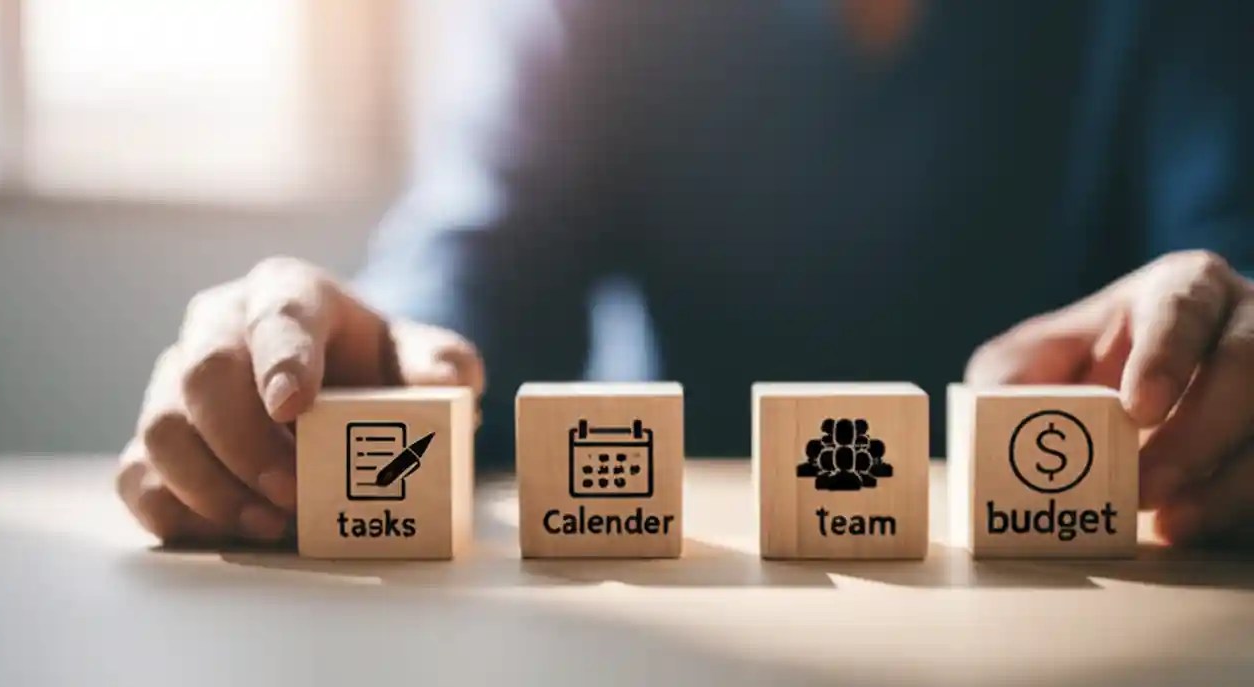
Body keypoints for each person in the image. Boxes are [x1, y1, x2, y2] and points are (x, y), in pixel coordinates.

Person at [114, 1, 1253, 547]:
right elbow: (473, 268)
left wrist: (1231, 339)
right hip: (655, 589)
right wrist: (352, 359)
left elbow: (1226, 255)